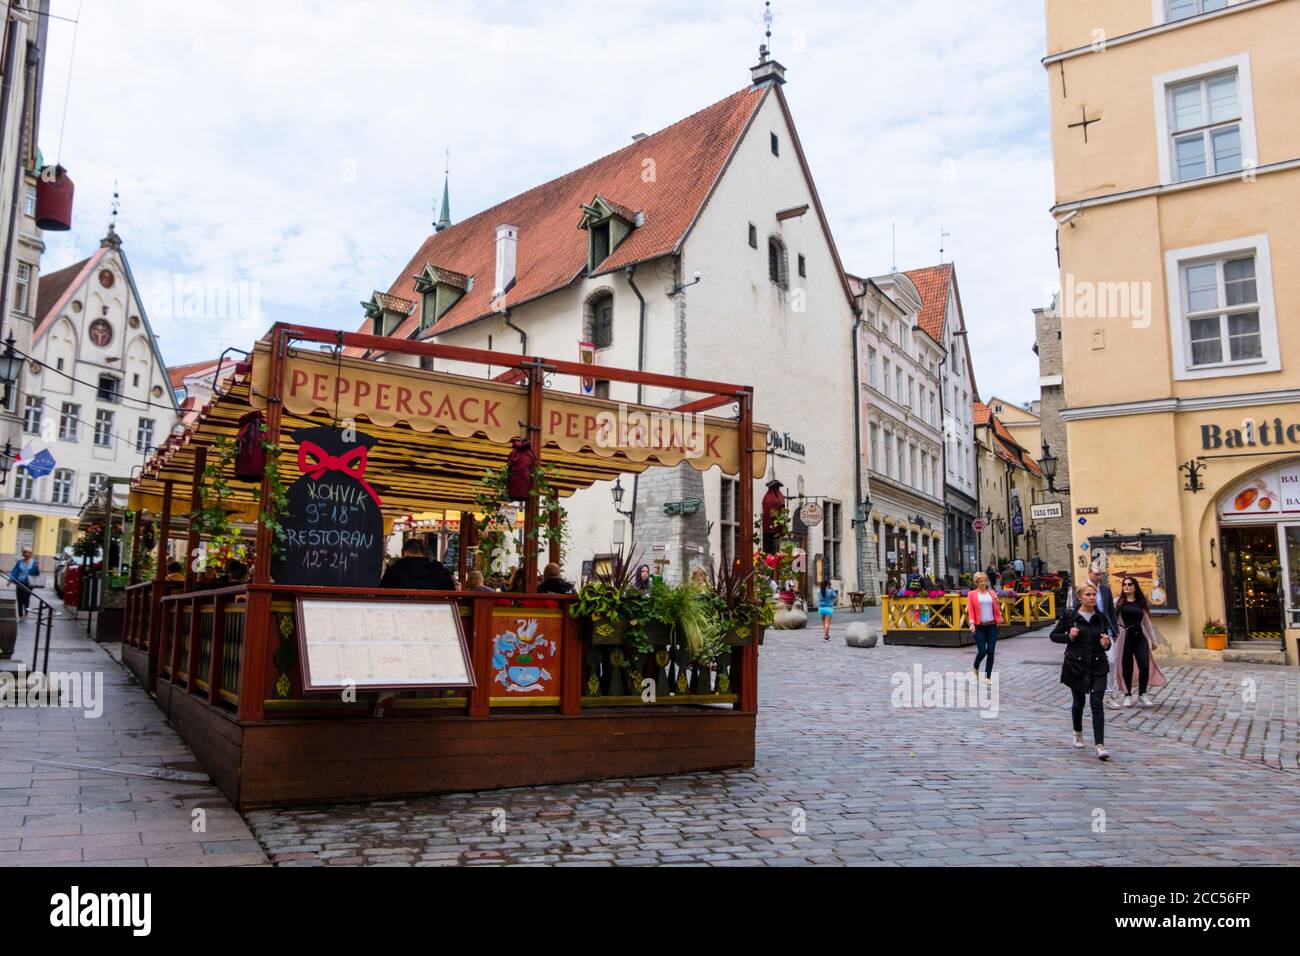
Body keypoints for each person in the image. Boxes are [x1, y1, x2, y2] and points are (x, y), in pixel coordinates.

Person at [1050, 583, 1114, 761]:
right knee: (1078, 703)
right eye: (1088, 595)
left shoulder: (1100, 618)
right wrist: (1069, 637)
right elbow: (1054, 636)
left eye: (1093, 594)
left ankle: (1100, 745)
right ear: (1080, 597)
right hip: (1076, 666)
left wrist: (1106, 644)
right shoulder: (1071, 616)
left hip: (1098, 665)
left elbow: (1105, 642)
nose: (1091, 597)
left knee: (1096, 703)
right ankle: (1077, 731)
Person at [1113, 576, 1168, 707]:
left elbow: (1147, 623)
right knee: (1127, 667)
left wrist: (1154, 640)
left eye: (1129, 584)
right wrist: (1113, 636)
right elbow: (1112, 620)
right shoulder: (1118, 602)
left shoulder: (1141, 603)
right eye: (1124, 584)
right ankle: (1127, 695)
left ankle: (1142, 694)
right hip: (1125, 637)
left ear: (1135, 586)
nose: (1126, 586)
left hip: (1139, 637)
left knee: (1144, 665)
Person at [966, 571, 1002, 681]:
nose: (983, 583)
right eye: (981, 581)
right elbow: (971, 610)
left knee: (990, 651)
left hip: (992, 626)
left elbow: (997, 609)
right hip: (979, 626)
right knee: (982, 651)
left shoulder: (991, 593)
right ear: (976, 583)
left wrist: (997, 601)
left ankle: (988, 677)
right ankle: (975, 667)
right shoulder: (972, 594)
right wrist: (971, 624)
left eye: (984, 580)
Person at [380, 539, 455, 590]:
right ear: (423, 553)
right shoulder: (441, 572)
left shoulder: (393, 571)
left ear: (404, 553)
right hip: (435, 612)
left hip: (400, 611)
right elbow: (452, 595)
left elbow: (380, 595)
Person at [9, 548, 40, 620]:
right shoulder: (19, 562)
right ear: (23, 553)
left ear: (31, 554)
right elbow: (15, 571)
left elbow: (37, 574)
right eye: (25, 552)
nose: (26, 554)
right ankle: (20, 615)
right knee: (19, 599)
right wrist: (10, 580)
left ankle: (26, 613)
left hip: (29, 584)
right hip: (19, 583)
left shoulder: (34, 563)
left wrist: (37, 569)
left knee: (26, 599)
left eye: (28, 552)